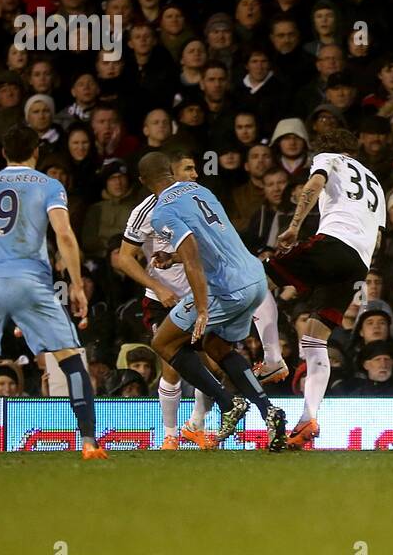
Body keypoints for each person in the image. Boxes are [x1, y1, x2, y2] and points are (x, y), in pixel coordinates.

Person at [0, 126, 103, 460]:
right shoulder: (49, 186)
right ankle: (89, 443)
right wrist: (76, 285)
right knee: (70, 360)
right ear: (36, 152)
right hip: (32, 283)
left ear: (3, 153)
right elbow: (65, 236)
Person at [114, 150, 287, 450]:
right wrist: (172, 256)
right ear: (171, 171)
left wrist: (203, 307)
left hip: (223, 289)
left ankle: (227, 403)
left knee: (164, 344)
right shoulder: (200, 191)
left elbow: (193, 255)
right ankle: (269, 412)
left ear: (143, 181)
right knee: (217, 347)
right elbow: (214, 240)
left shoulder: (162, 211)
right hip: (254, 279)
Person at [267, 127, 387, 449]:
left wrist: (293, 228)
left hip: (334, 243)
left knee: (259, 280)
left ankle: (272, 357)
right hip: (359, 263)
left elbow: (315, 184)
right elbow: (377, 238)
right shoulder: (375, 182)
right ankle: (308, 419)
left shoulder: (328, 158)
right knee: (315, 337)